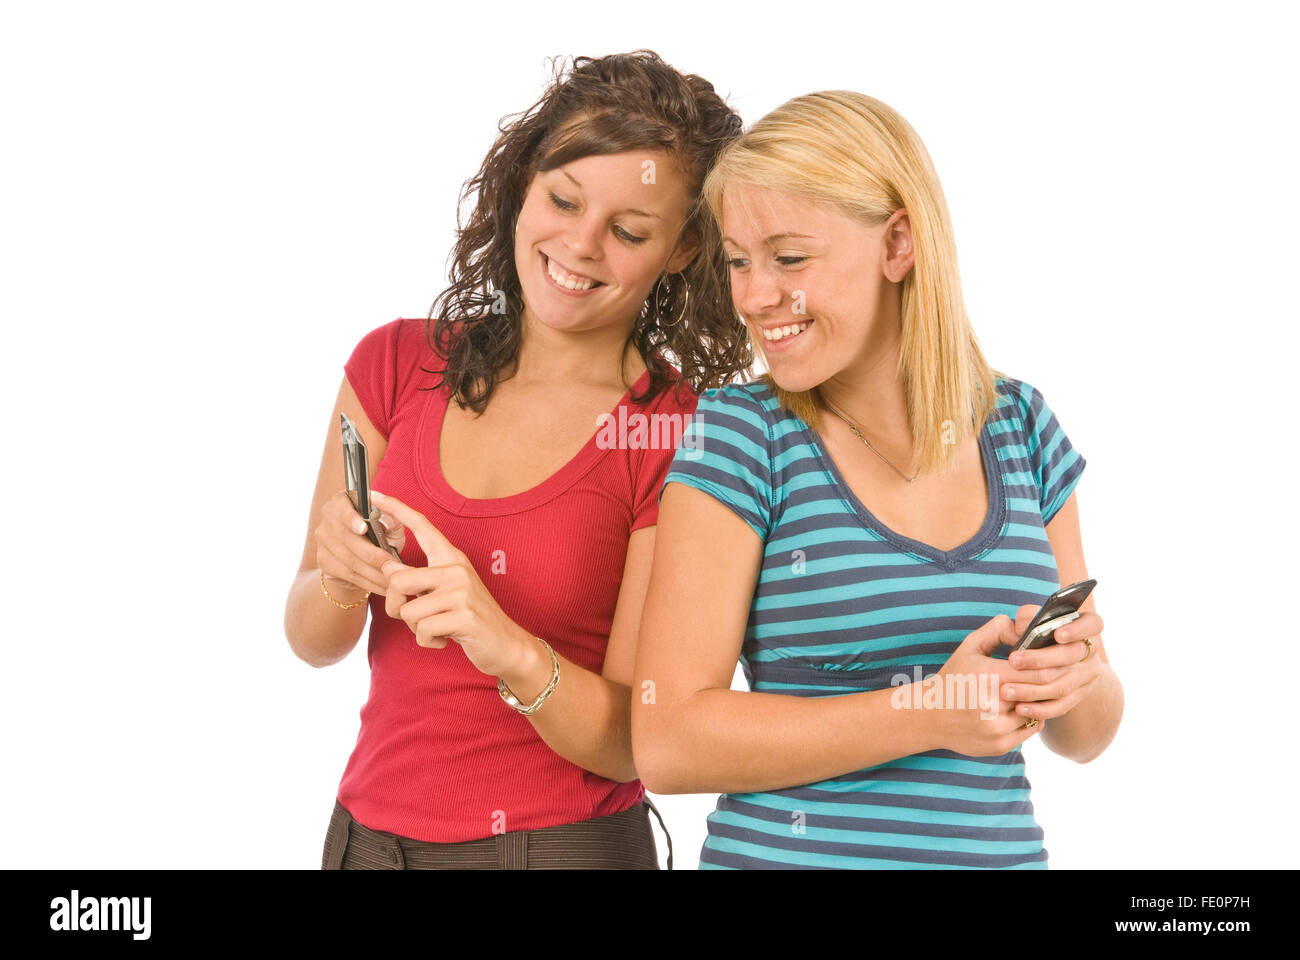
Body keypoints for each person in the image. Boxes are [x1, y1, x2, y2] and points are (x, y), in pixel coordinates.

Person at [632, 90, 1124, 869]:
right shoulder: (741, 435)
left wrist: (1075, 677)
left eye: (789, 257)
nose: (756, 297)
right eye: (737, 261)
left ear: (899, 243)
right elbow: (668, 739)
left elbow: (1088, 736)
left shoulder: (1021, 426)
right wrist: (932, 709)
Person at [282, 50, 749, 869]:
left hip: (556, 849)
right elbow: (312, 639)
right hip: (362, 841)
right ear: (523, 185)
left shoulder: (675, 434)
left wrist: (505, 644)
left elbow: (637, 742)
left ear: (682, 249)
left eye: (629, 231)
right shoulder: (395, 366)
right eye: (562, 200)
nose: (580, 245)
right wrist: (342, 573)